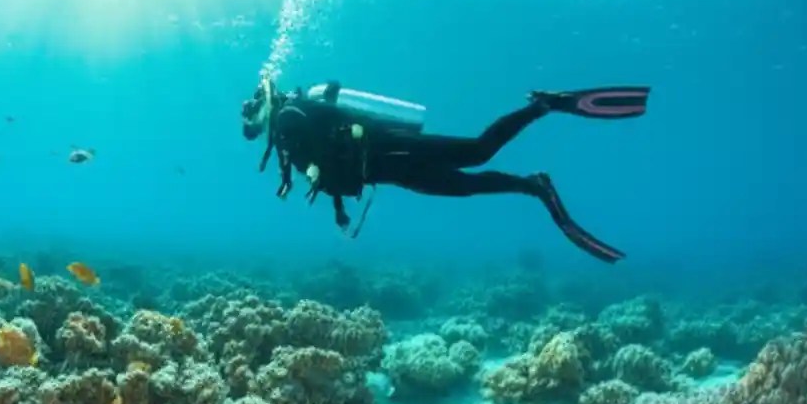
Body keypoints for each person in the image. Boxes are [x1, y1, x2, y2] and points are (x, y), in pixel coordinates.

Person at [240, 77, 650, 263]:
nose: (257, 130)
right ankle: (533, 185)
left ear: (264, 107)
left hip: (391, 149)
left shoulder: (290, 119)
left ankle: (544, 106)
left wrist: (334, 195)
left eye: (254, 121)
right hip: (391, 170)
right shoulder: (289, 133)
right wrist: (338, 208)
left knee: (477, 151)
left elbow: (327, 152)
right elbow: (327, 164)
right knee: (465, 185)